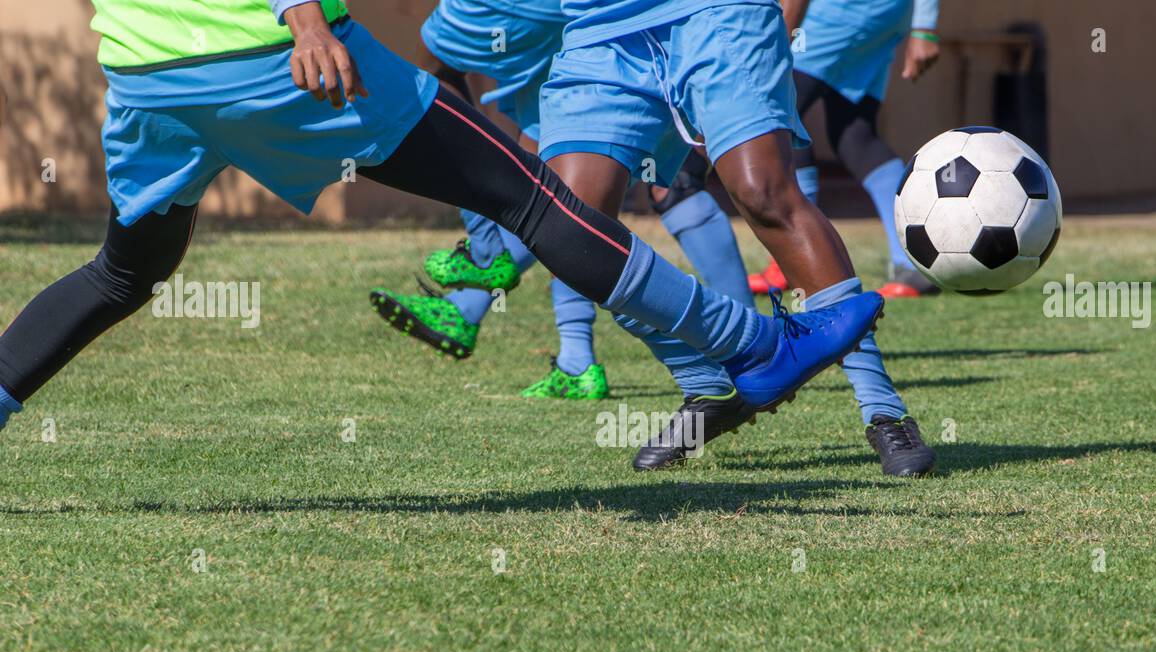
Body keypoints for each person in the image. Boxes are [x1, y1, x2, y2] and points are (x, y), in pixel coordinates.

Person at [0, 1, 878, 457]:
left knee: (125, 271)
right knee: (530, 196)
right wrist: (304, 17)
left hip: (148, 72)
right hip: (270, 51)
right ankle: (749, 348)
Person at [535, 0, 936, 475]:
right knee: (572, 232)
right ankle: (709, 385)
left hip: (717, 12)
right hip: (599, 28)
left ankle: (884, 410)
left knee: (764, 194)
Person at [370, 0, 755, 404]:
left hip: (612, 22)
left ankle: (483, 268)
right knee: (564, 192)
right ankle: (575, 359)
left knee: (436, 65)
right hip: (592, 19)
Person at [750, 0, 944, 300]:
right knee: (855, 136)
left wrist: (925, 29)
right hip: (875, 14)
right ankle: (914, 263)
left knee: (781, 111)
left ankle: (791, 260)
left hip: (843, 11)